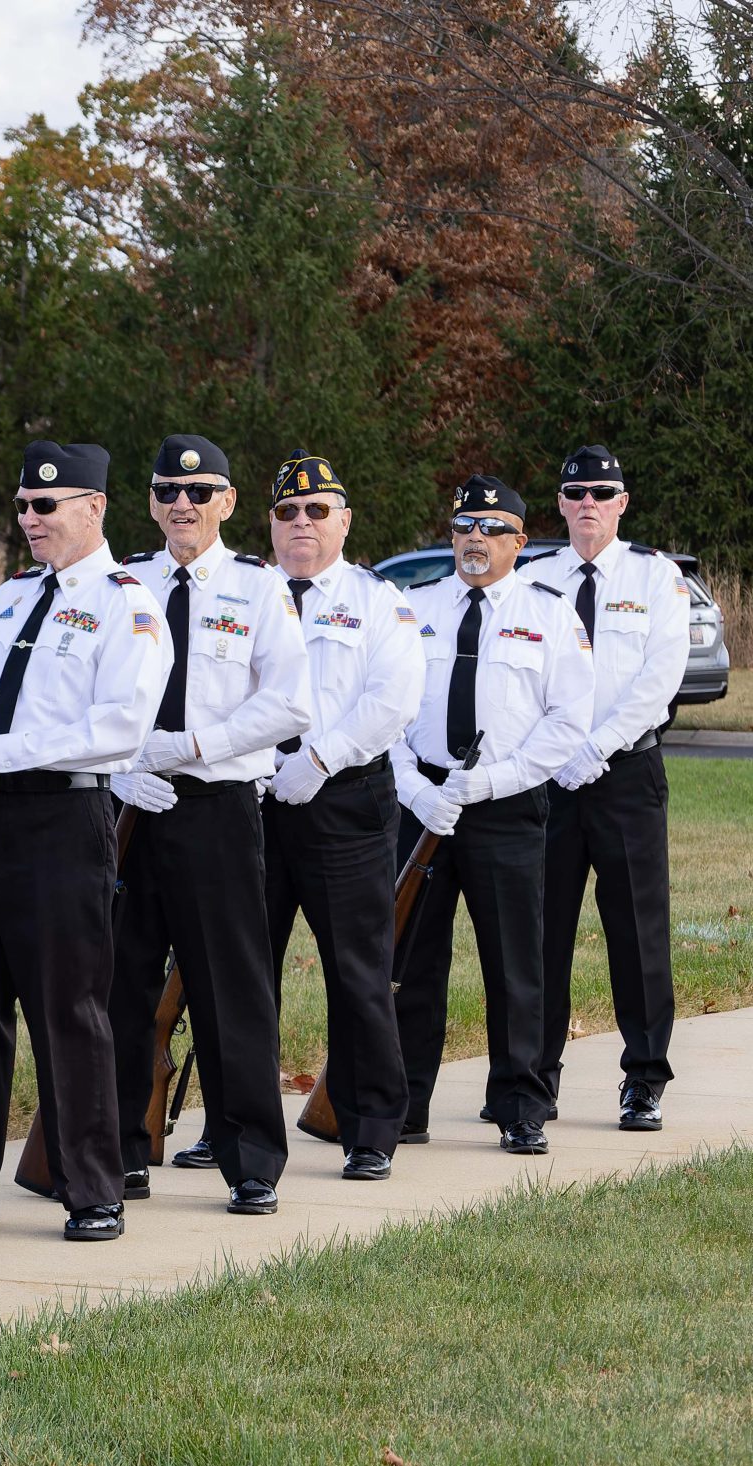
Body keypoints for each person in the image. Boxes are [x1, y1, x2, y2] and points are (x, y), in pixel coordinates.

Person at [0, 441, 165, 1241]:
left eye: (48, 506)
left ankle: (91, 1184)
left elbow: (116, 729)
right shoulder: (5, 600)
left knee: (68, 1008)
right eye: (25, 506)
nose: (30, 519)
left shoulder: (126, 602)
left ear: (94, 508)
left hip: (64, 821)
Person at [107, 436, 311, 1212]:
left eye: (199, 493)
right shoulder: (126, 583)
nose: (181, 505)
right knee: (119, 983)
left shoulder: (258, 589)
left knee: (232, 989)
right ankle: (121, 1149)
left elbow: (291, 701)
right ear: (152, 502)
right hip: (128, 805)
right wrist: (123, 765)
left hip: (216, 807)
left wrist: (195, 745)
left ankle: (250, 1156)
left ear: (226, 503)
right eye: (167, 492)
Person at [390, 477, 593, 1154]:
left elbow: (567, 722)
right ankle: (404, 1104)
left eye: (492, 527)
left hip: (504, 806)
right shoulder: (413, 608)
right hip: (421, 807)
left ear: (519, 542)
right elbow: (385, 708)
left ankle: (520, 1105)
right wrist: (415, 787)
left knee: (515, 963)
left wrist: (489, 783)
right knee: (409, 961)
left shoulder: (552, 613)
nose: (475, 537)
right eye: (464, 525)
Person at [259, 452, 425, 1181]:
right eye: (288, 511)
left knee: (357, 970)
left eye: (317, 510)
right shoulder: (245, 596)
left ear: (345, 521)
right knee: (241, 971)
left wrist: (318, 760)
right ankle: (243, 1120)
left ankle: (371, 1126)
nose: (301, 522)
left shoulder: (378, 600)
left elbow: (393, 699)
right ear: (269, 522)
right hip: (254, 798)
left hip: (346, 802)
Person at [523, 447, 691, 1132]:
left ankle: (645, 1079)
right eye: (576, 491)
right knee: (540, 933)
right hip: (550, 780)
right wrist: (558, 752)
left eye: (602, 491)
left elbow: (662, 677)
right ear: (560, 504)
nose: (588, 501)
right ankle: (533, 1077)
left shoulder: (656, 577)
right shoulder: (533, 579)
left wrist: (597, 745)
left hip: (625, 776)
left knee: (638, 934)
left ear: (622, 503)